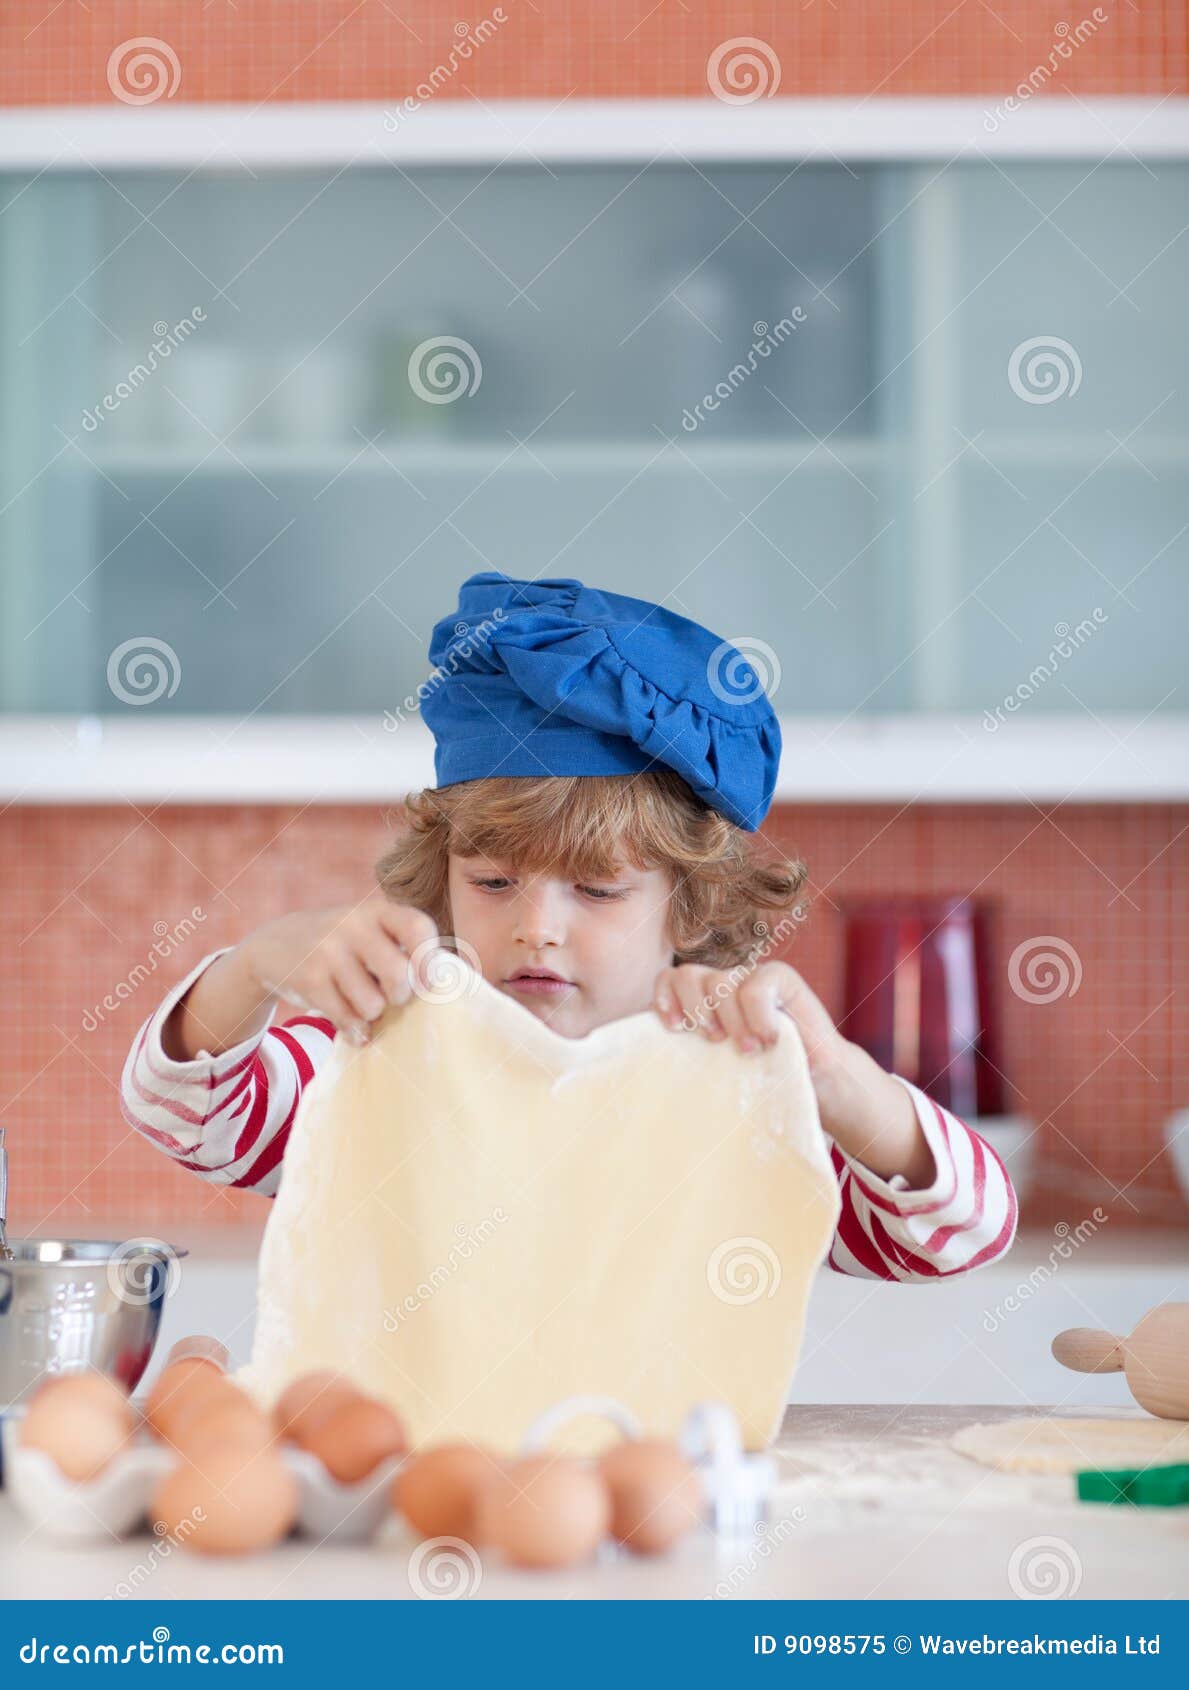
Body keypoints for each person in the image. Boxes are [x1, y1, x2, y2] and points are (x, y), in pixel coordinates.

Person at [121, 571, 1017, 1282]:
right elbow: (185, 1114)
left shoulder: (732, 1088)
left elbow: (960, 1235)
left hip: (667, 1500)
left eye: (596, 891)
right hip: (413, 1495)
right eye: (495, 880)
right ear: (442, 877)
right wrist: (259, 964)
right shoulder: (374, 1052)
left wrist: (830, 1079)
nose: (536, 928)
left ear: (691, 905)